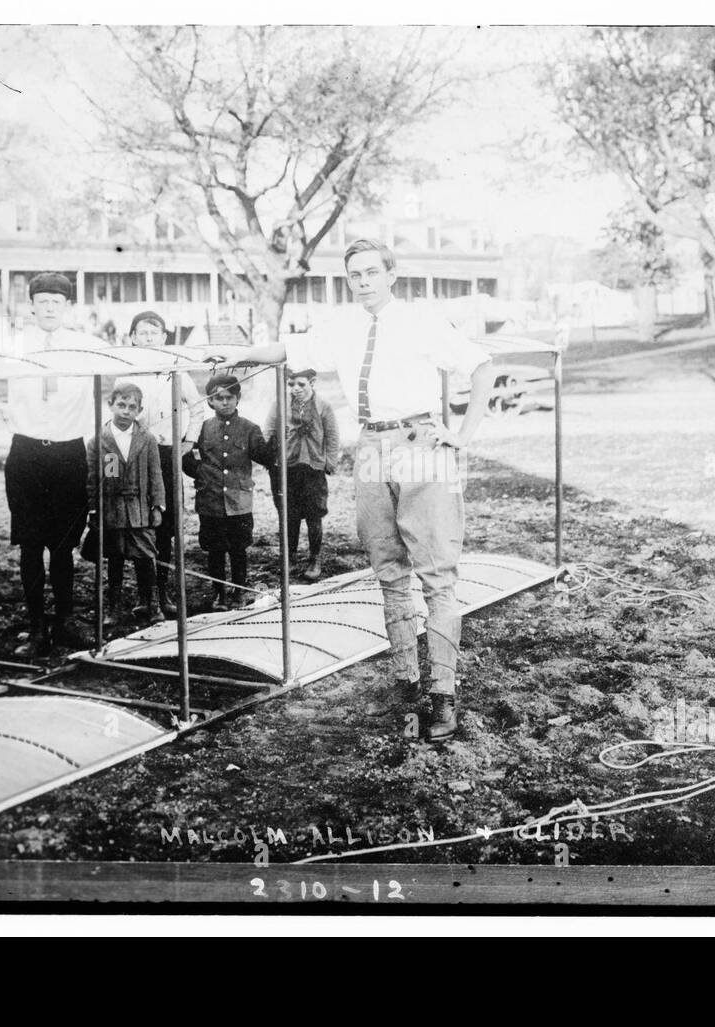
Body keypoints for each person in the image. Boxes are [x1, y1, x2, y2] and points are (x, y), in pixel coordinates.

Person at [208, 238, 496, 741]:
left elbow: (481, 366)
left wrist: (463, 433)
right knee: (387, 568)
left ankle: (442, 694)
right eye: (354, 274)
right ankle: (408, 683)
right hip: (372, 447)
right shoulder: (341, 325)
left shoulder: (422, 319)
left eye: (370, 272)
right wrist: (240, 355)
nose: (362, 281)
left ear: (390, 274)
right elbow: (286, 350)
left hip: (421, 443)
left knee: (436, 575)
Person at [4, 272, 106, 656]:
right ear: (31, 305)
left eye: (56, 302)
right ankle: (35, 629)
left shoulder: (86, 346)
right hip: (27, 452)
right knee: (30, 546)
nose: (48, 308)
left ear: (68, 307)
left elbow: (133, 355)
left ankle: (64, 620)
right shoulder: (13, 345)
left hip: (68, 453)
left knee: (63, 546)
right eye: (42, 301)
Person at [112, 310, 203, 616]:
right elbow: (118, 416)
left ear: (165, 338)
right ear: (133, 338)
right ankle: (144, 597)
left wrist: (188, 442)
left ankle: (164, 594)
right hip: (134, 455)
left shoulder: (176, 369)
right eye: (142, 332)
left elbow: (197, 407)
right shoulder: (126, 373)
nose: (149, 338)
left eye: (155, 332)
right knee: (138, 523)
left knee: (164, 525)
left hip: (166, 453)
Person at [84, 383, 166, 628]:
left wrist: (157, 506)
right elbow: (91, 479)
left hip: (140, 508)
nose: (125, 411)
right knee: (115, 558)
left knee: (144, 556)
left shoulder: (147, 439)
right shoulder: (98, 441)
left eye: (132, 407)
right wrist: (94, 509)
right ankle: (114, 606)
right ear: (110, 405)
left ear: (139, 410)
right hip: (111, 509)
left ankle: (150, 604)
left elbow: (156, 473)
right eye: (121, 405)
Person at [191, 373, 275, 611]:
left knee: (239, 549)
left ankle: (239, 592)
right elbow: (188, 457)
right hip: (211, 501)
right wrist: (201, 474)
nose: (224, 402)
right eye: (219, 398)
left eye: (230, 397)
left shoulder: (249, 428)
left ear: (238, 399)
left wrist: (276, 441)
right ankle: (220, 594)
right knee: (214, 551)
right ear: (210, 401)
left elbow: (263, 456)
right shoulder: (202, 428)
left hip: (239, 502)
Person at [264, 368, 339, 581]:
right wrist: (270, 460)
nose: (295, 389)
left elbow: (332, 436)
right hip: (286, 468)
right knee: (289, 515)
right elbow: (268, 431)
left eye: (301, 384)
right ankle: (290, 557)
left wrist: (329, 463)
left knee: (314, 515)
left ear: (312, 383)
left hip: (313, 467)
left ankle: (315, 558)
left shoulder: (323, 406)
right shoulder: (279, 404)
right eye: (291, 384)